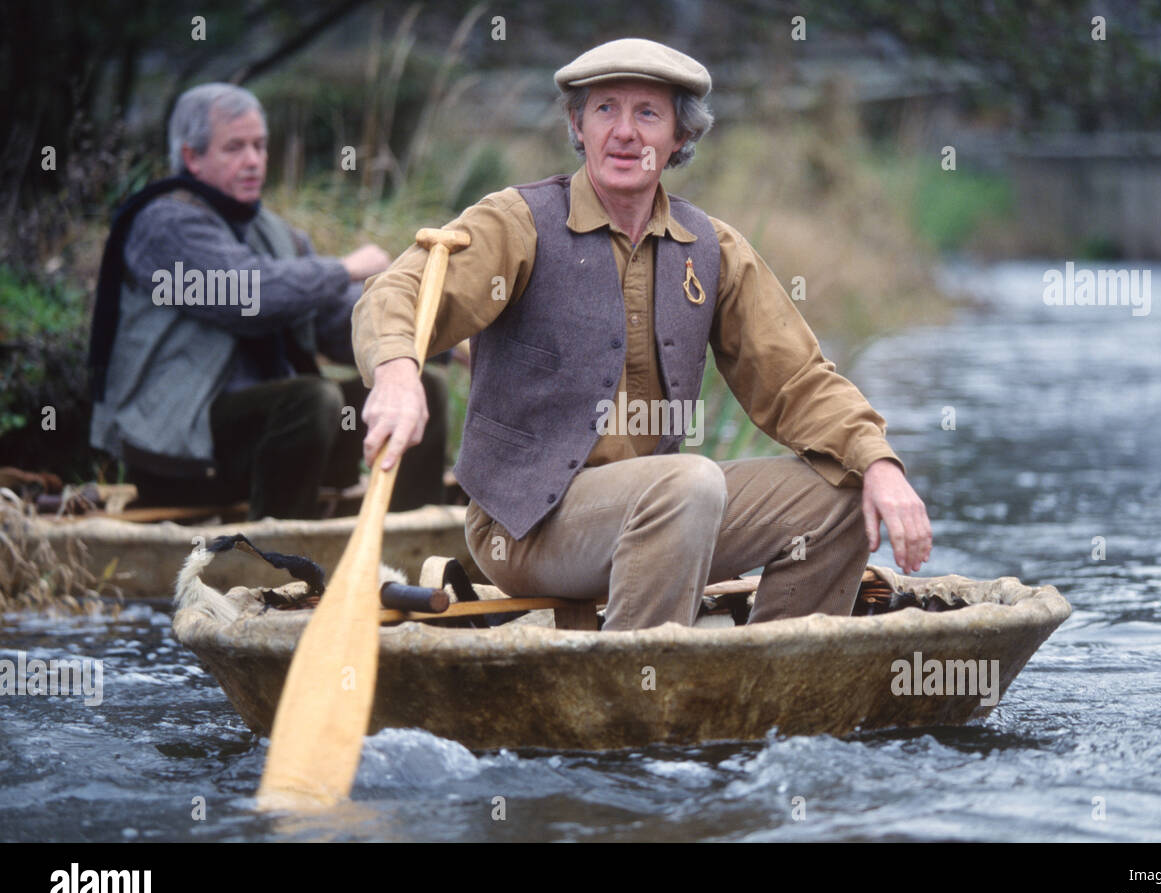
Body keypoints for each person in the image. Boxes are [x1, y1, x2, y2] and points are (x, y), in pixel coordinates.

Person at [353, 38, 932, 629]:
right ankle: (635, 689)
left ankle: (763, 681)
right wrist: (398, 374)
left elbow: (799, 379)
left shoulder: (711, 249)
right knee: (690, 484)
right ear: (577, 126)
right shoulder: (517, 222)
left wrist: (879, 464)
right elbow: (395, 293)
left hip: (666, 511)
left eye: (647, 114)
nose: (624, 132)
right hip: (525, 526)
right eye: (605, 109)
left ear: (679, 138)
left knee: (838, 497)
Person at [88, 82, 446, 519]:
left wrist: (442, 338)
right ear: (191, 157)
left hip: (271, 437)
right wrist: (342, 268)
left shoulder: (277, 233)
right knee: (310, 399)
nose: (253, 161)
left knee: (420, 389)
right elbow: (246, 294)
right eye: (234, 147)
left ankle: (402, 544)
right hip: (182, 450)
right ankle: (278, 561)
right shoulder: (164, 223)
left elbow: (337, 323)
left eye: (259, 146)